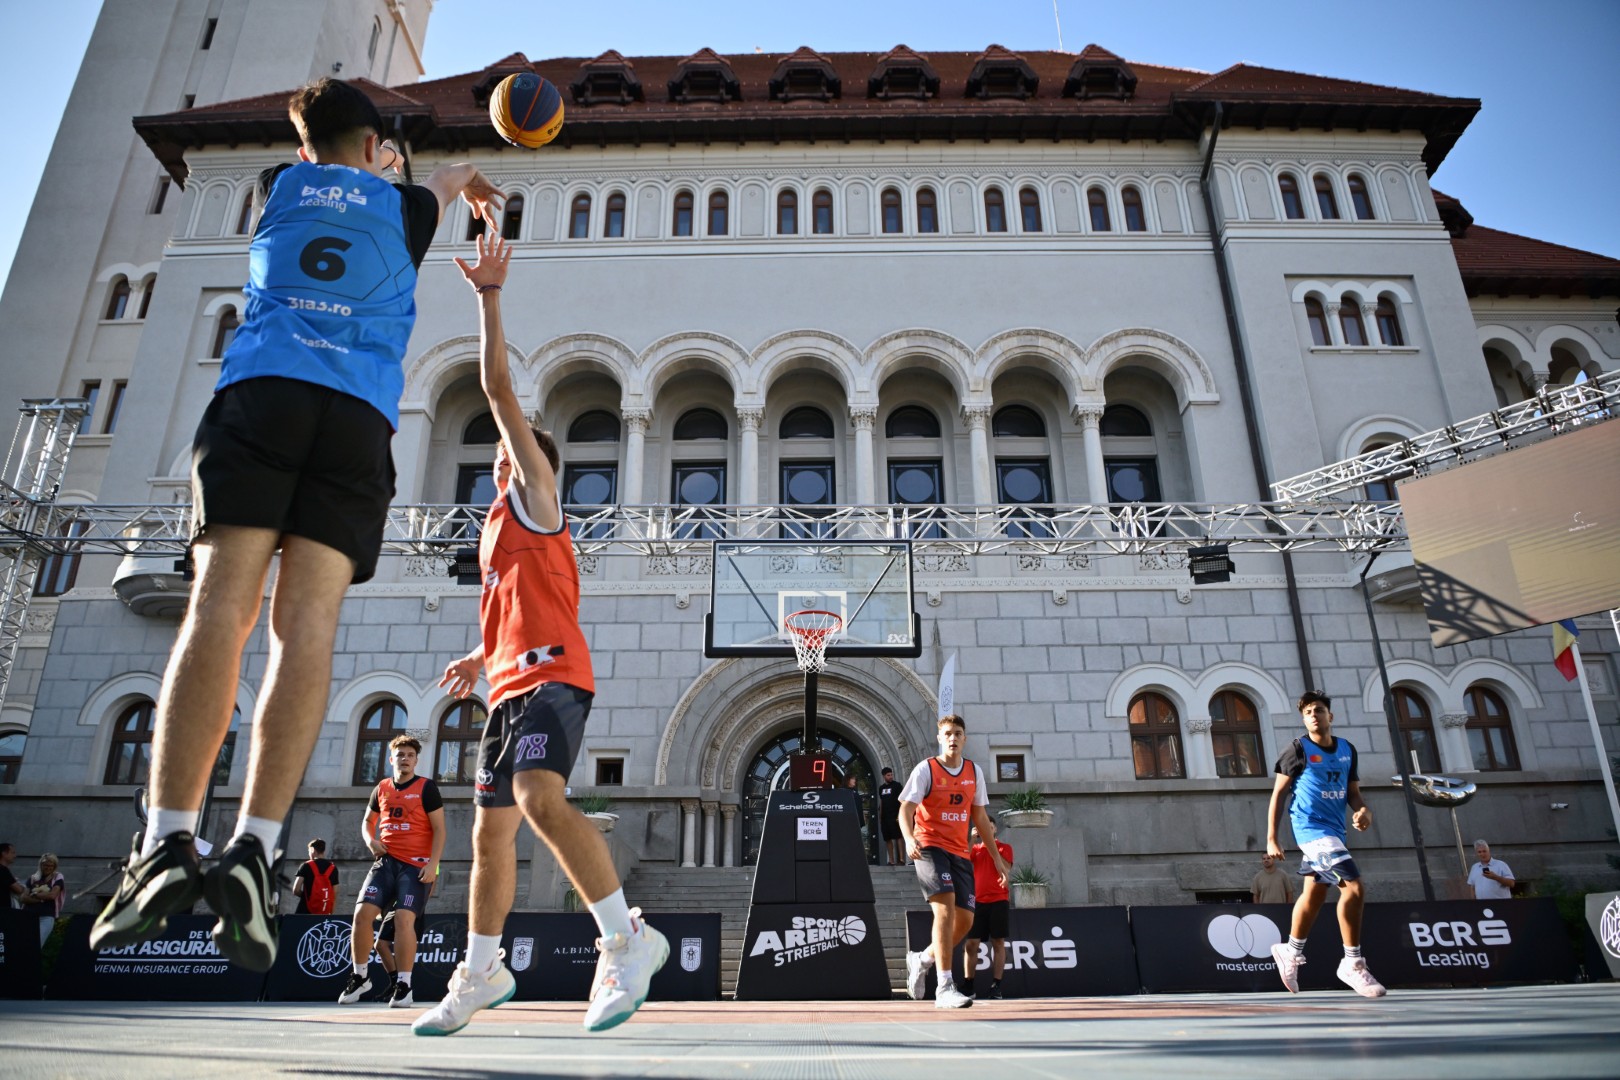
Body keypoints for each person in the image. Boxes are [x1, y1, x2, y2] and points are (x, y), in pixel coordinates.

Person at [89, 78, 502, 972]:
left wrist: (395, 169)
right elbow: (444, 178)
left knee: (219, 609)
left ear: (306, 147)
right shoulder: (406, 210)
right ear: (377, 149)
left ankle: (166, 843)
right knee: (304, 629)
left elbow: (361, 168)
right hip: (355, 418)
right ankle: (256, 848)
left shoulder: (279, 186)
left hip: (263, 395)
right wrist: (459, 181)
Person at [413, 233, 668, 1037]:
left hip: (555, 679)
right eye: (498, 454)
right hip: (507, 687)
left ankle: (626, 940)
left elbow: (496, 388)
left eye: (511, 450)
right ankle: (482, 971)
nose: (500, 459)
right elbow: (510, 608)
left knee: (536, 798)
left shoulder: (536, 499)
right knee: (490, 837)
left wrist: (488, 298)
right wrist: (476, 656)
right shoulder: (494, 531)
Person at [1266, 691, 1385, 998]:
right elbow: (1278, 794)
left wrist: (1364, 811)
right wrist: (1272, 838)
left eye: (1318, 710)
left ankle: (1290, 950)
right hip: (1311, 830)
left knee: (1314, 894)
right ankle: (1352, 962)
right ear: (1304, 720)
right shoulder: (1297, 749)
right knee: (1354, 888)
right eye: (1307, 712)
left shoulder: (1347, 750)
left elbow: (1353, 793)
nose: (1313, 715)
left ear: (1330, 716)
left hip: (1335, 832)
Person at [899, 713, 1010, 1009]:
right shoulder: (927, 769)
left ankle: (922, 959)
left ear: (964, 738)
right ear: (939, 738)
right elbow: (905, 810)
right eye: (947, 733)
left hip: (960, 852)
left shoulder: (974, 772)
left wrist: (996, 859)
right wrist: (909, 839)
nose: (952, 738)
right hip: (929, 846)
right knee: (945, 908)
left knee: (965, 922)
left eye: (957, 733)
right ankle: (945, 986)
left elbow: (980, 818)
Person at [339, 735, 444, 1008]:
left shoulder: (426, 787)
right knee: (361, 915)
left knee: (403, 920)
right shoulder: (382, 787)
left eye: (410, 755)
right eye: (400, 755)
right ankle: (360, 976)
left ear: (416, 760)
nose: (405, 759)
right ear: (391, 759)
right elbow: (367, 821)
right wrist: (370, 840)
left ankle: (404, 985)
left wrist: (432, 864)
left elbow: (440, 829)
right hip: (386, 863)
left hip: (415, 866)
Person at [962, 826, 1014, 1000]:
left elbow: (1007, 868)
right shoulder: (976, 848)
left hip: (999, 900)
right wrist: (972, 839)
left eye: (989, 827)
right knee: (971, 944)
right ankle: (968, 985)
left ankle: (996, 986)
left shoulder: (1004, 847)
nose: (985, 829)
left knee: (998, 942)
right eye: (982, 827)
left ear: (995, 829)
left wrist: (992, 848)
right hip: (977, 902)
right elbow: (963, 859)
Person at [22, 852, 66, 946]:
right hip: (28, 915)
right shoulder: (33, 878)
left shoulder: (57, 877)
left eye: (51, 866)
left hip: (46, 916)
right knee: (24, 944)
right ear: (41, 865)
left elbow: (52, 895)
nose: (48, 868)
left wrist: (34, 894)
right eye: (46, 865)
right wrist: (42, 898)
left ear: (54, 866)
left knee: (37, 944)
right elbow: (24, 898)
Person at [293, 838, 340, 916]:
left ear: (312, 850)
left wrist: (307, 897)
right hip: (324, 911)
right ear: (323, 851)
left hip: (304, 911)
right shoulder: (333, 868)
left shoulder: (306, 865)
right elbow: (335, 893)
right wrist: (330, 912)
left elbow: (296, 890)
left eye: (309, 851)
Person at [878, 767, 905, 866]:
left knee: (898, 836)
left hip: (895, 816)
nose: (890, 777)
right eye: (888, 775)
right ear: (884, 776)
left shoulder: (897, 786)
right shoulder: (881, 788)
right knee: (887, 838)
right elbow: (881, 802)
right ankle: (891, 860)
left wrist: (900, 815)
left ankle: (901, 859)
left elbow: (902, 801)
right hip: (885, 817)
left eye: (891, 774)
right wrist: (880, 817)